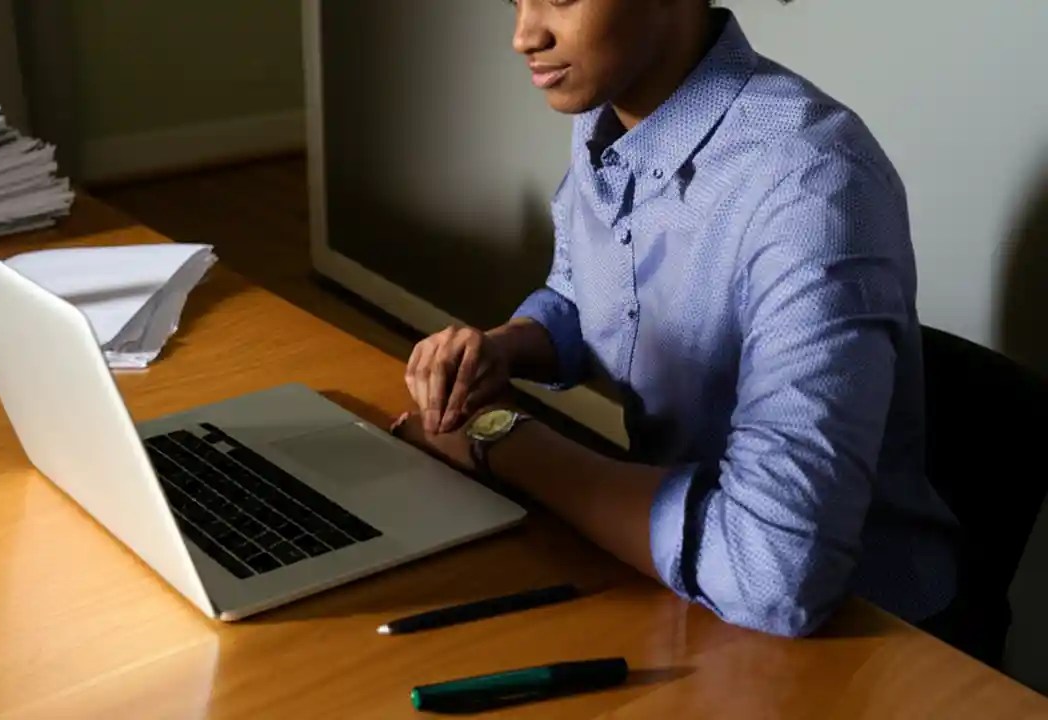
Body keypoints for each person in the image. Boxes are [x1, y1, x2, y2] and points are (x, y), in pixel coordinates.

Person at [392, 0, 961, 638]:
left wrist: (497, 439)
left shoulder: (813, 187)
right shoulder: (609, 111)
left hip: (866, 633)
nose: (524, 35)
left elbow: (773, 573)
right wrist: (504, 349)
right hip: (683, 587)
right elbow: (590, 292)